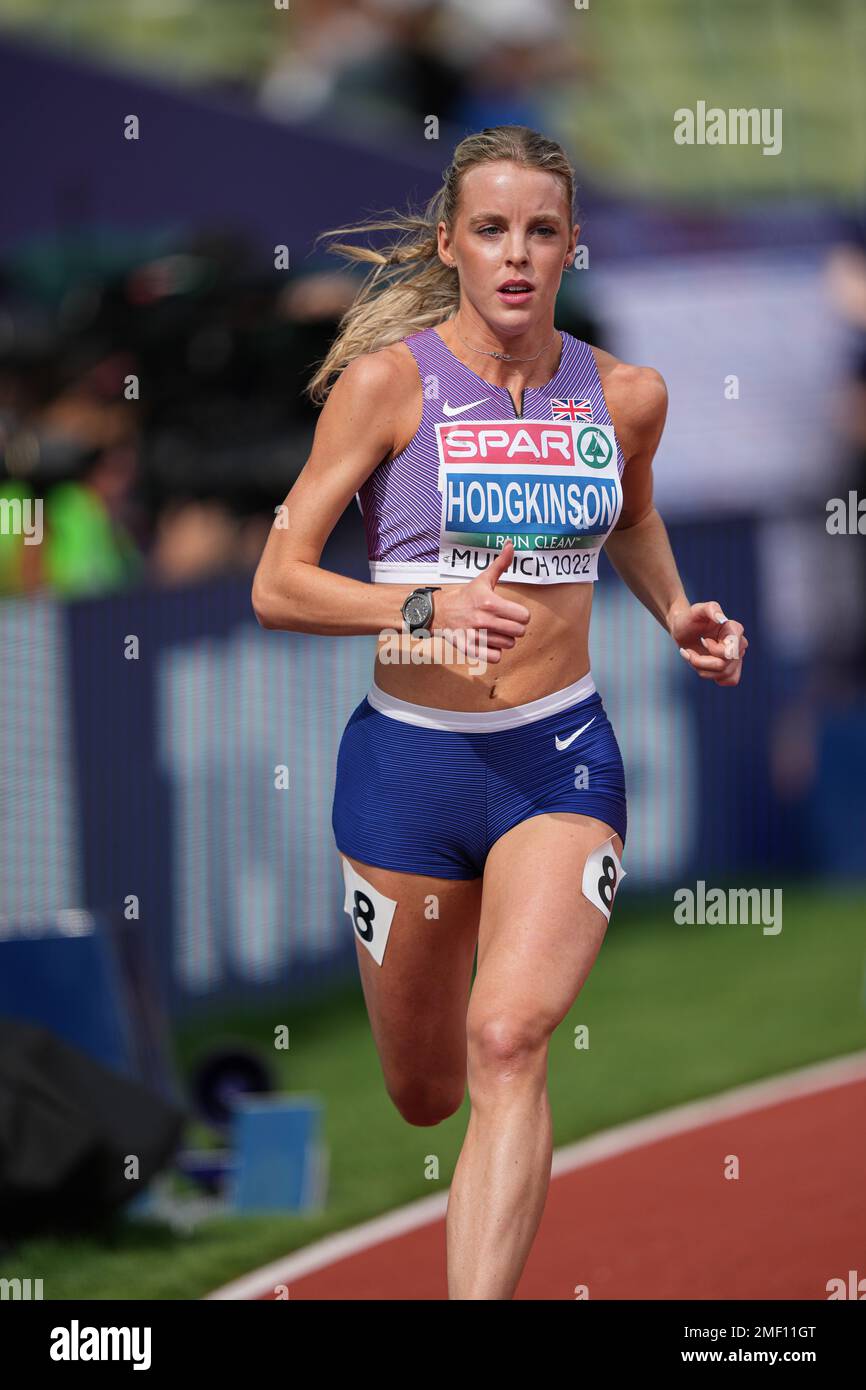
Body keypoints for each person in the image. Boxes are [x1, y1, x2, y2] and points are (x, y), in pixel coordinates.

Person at [252, 124, 749, 1300]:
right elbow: (277, 582)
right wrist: (420, 599)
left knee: (508, 1039)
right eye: (490, 230)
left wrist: (674, 608)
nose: (515, 253)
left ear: (571, 244)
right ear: (450, 244)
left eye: (539, 230)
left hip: (556, 758)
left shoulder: (624, 396)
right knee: (423, 1088)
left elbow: (627, 518)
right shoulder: (388, 386)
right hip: (407, 771)